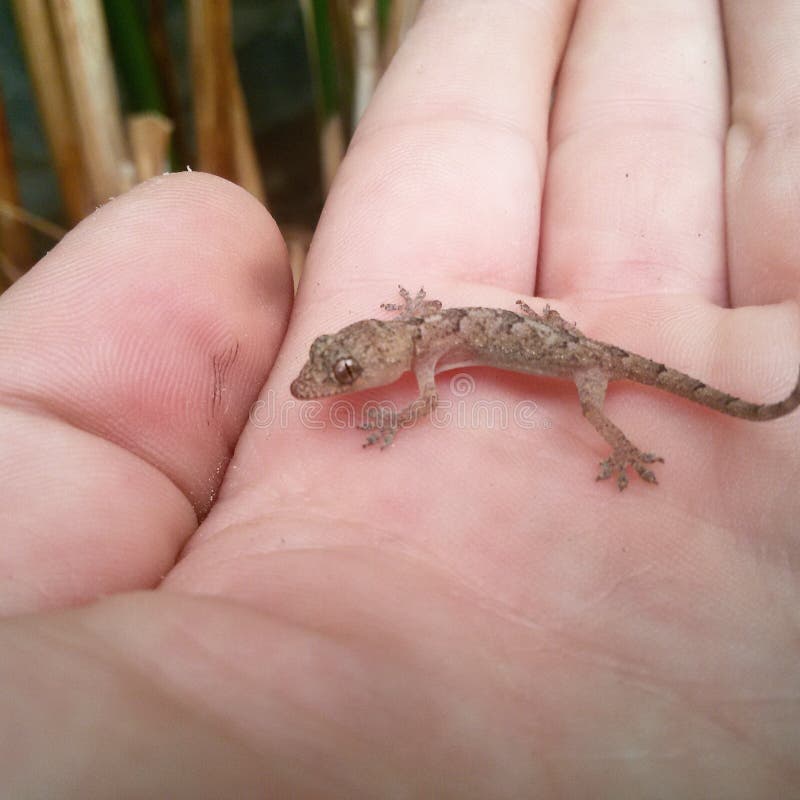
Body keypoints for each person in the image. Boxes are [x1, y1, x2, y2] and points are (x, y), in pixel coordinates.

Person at [1, 2, 798, 795]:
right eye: (332, 363)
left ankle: (727, 419)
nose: (322, 385)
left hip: (586, 360)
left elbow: (424, 409)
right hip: (560, 336)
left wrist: (386, 417)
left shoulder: (425, 361)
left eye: (342, 374)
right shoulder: (431, 329)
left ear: (380, 362)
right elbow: (429, 323)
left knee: (595, 410)